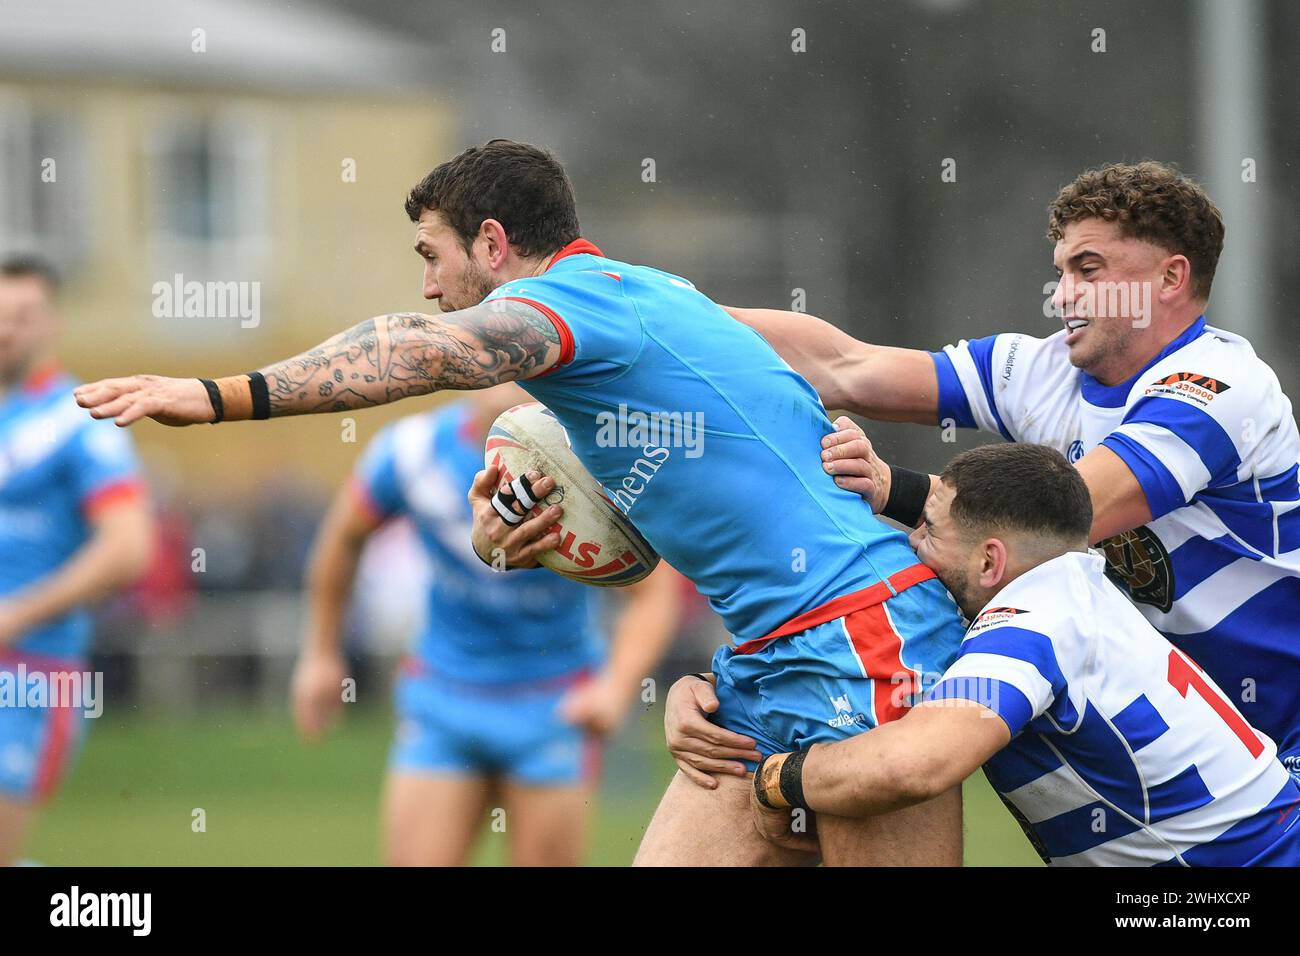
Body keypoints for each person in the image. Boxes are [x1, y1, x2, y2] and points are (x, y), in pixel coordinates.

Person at [72, 139, 968, 866]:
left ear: (493, 246)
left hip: (859, 632)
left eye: (433, 257)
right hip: (764, 659)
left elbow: (419, 348)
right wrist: (507, 531)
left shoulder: (566, 304)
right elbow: (647, 539)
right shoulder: (642, 311)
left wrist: (225, 394)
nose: (428, 287)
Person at [722, 160, 1300, 781]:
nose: (1064, 295)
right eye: (1061, 273)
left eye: (1089, 270)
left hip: (1283, 733)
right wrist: (648, 311)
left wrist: (894, 488)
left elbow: (1057, 520)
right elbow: (844, 367)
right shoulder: (1038, 371)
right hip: (1181, 739)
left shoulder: (1219, 386)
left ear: (1170, 277)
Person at [749, 443, 1300, 866]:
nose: (912, 544)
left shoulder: (1029, 628)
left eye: (930, 530)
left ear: (991, 562)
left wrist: (777, 779)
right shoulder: (1077, 589)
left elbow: (912, 766)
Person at [291, 383, 681, 866]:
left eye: (526, 370)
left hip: (555, 705)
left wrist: (617, 687)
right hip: (445, 697)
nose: (507, 387)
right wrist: (320, 653)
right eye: (496, 367)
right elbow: (343, 538)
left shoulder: (589, 461)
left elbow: (655, 592)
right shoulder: (412, 451)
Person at [0, 255, 153, 865]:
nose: (6, 328)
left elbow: (128, 548)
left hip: (28, 675)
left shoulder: (81, 423)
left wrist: (16, 612)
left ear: (53, 323)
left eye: (23, 315)